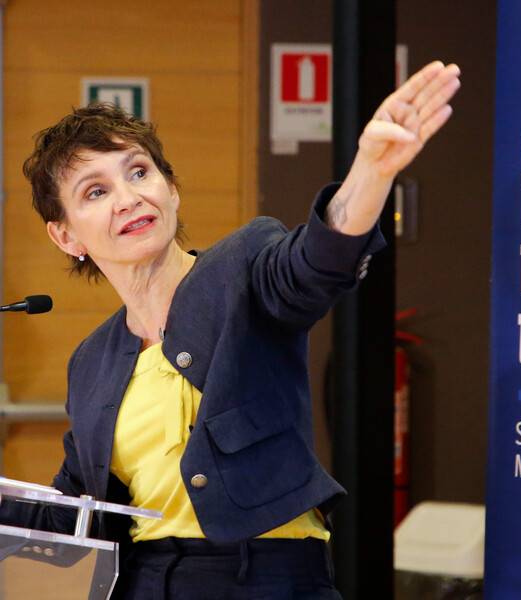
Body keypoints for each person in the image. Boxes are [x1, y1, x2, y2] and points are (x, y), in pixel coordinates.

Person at [0, 60, 461, 599]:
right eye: (95, 192)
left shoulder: (241, 269)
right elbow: (73, 511)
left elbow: (316, 262)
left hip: (263, 577)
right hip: (141, 582)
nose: (128, 198)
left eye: (139, 172)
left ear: (171, 189)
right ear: (66, 236)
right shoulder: (91, 359)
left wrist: (372, 173)